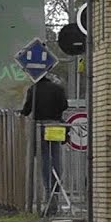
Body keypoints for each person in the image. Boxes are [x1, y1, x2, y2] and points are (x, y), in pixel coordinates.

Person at [21, 75, 69, 203]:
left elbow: (26, 110)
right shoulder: (58, 89)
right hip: (55, 125)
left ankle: (48, 190)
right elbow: (64, 105)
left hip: (40, 127)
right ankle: (56, 188)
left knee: (44, 158)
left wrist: (22, 114)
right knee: (56, 156)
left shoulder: (34, 89)